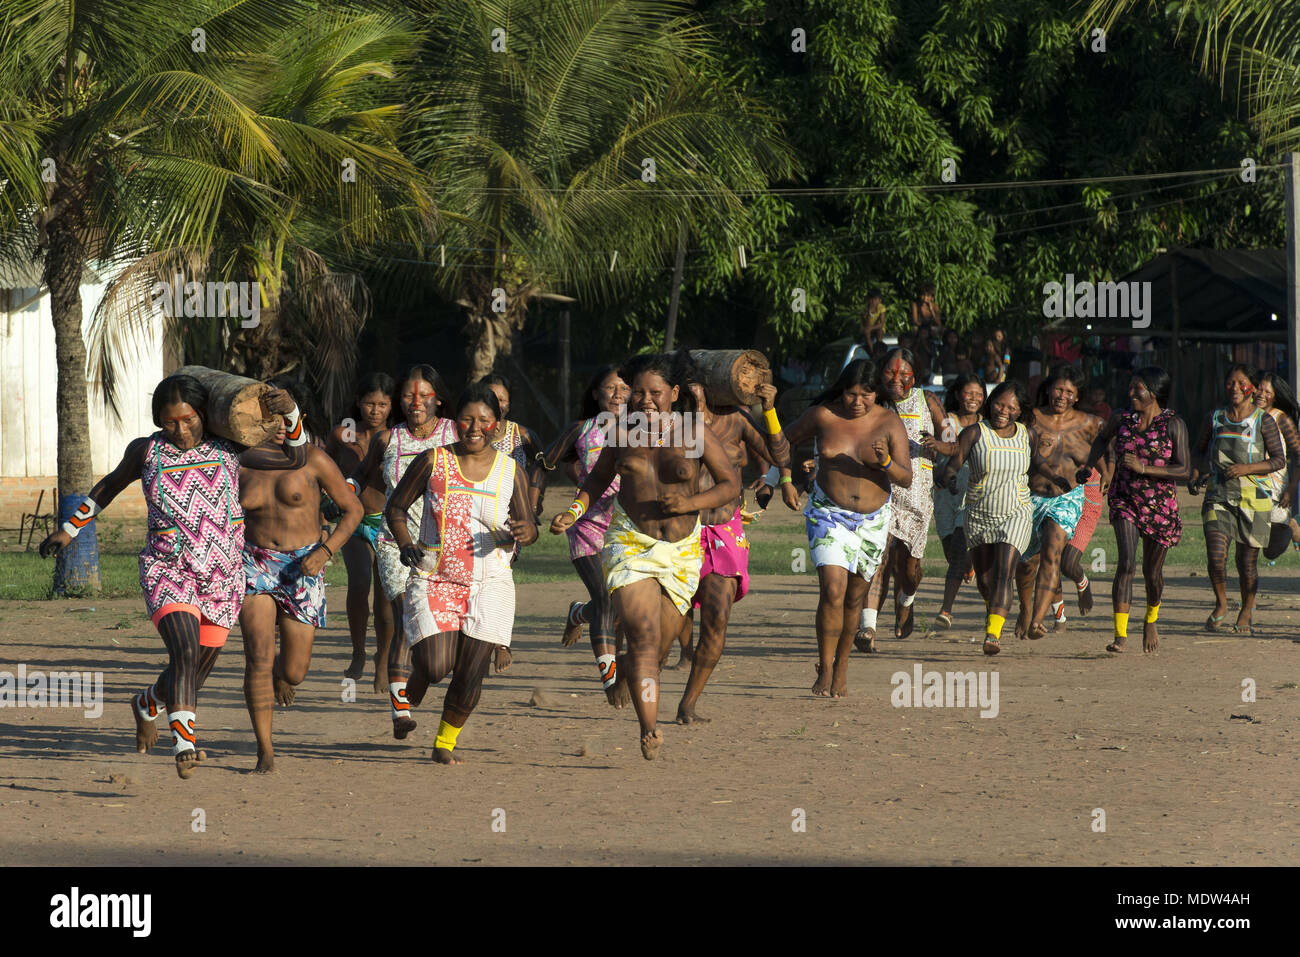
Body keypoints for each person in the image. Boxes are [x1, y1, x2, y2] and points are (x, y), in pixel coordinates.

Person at [40, 374, 304, 778]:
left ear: (203, 414)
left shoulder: (230, 447)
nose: (180, 430)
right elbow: (108, 487)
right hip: (169, 570)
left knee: (195, 667)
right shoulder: (147, 451)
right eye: (169, 422)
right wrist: (70, 529)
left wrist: (291, 413)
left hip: (223, 576)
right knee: (182, 652)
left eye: (188, 419)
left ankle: (148, 703)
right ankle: (185, 744)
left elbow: (296, 458)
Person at [550, 352, 739, 759]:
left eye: (655, 392)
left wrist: (691, 504)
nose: (645, 400)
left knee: (657, 646)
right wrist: (573, 511)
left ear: (674, 393)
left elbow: (729, 486)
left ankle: (628, 663)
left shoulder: (694, 433)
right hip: (630, 544)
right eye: (638, 392)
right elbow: (597, 481)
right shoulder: (620, 432)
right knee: (645, 638)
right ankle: (648, 728)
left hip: (682, 553)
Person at [384, 383, 538, 765]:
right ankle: (416, 683)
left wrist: (524, 532)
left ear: (497, 424)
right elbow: (396, 508)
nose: (474, 427)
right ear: (454, 422)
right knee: (436, 664)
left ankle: (443, 743)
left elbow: (528, 525)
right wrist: (406, 545)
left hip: (491, 583)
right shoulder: (432, 461)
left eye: (484, 420)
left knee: (471, 670)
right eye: (466, 419)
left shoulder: (510, 470)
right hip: (436, 576)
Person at [240, 380, 362, 772]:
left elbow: (353, 510)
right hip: (254, 563)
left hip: (303, 567)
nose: (275, 425)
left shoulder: (314, 459)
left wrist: (325, 551)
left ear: (297, 418)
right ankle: (265, 749)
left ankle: (282, 675)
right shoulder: (242, 460)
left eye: (282, 416)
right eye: (266, 418)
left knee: (294, 669)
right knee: (257, 655)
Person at [776, 358, 912, 693]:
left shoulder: (889, 421)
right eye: (851, 394)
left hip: (871, 521)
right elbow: (781, 440)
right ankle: (824, 667)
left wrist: (886, 463)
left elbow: (906, 478)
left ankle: (841, 669)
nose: (857, 402)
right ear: (842, 390)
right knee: (832, 590)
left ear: (876, 393)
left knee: (855, 598)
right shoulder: (824, 415)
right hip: (828, 514)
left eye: (865, 394)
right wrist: (784, 480)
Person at [348, 365, 459, 731]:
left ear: (438, 398)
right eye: (409, 396)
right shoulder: (388, 440)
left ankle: (420, 686)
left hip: (444, 547)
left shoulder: (455, 434)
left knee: (440, 638)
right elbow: (361, 475)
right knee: (404, 618)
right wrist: (342, 492)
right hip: (395, 543)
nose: (415, 402)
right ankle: (401, 713)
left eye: (424, 395)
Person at [673, 375, 786, 724]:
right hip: (677, 532)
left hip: (723, 531)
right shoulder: (666, 426)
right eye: (688, 389)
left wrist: (769, 412)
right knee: (663, 622)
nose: (696, 395)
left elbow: (779, 454)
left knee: (717, 620)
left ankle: (688, 703)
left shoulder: (735, 420)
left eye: (700, 387)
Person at [529, 365, 631, 705]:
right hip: (585, 523)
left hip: (629, 529)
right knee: (605, 597)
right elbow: (545, 462)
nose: (618, 394)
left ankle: (578, 613)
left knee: (622, 601)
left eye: (624, 388)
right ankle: (610, 679)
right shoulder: (581, 430)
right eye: (610, 388)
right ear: (595, 394)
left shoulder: (644, 430)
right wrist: (533, 506)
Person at [1077, 367, 1189, 653]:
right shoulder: (1121, 419)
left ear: (1153, 392)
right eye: (1130, 388)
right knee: (1126, 563)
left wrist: (1145, 467)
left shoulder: (1173, 424)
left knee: (1152, 574)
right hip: (1124, 498)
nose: (1131, 393)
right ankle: (1120, 635)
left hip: (1160, 506)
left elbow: (1184, 469)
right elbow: (1102, 440)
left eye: (1137, 389)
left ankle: (1151, 618)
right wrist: (1090, 465)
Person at [855, 348, 948, 649]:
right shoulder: (874, 402)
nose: (896, 380)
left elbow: (953, 442)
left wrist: (939, 446)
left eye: (903, 375)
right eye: (889, 374)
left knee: (909, 570)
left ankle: (906, 600)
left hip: (918, 494)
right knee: (878, 558)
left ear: (915, 375)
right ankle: (867, 629)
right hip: (881, 490)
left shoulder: (928, 401)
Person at [937, 380, 1033, 656]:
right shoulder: (974, 433)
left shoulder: (1028, 435)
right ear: (991, 403)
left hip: (1016, 512)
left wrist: (1063, 479)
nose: (1004, 411)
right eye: (1000, 404)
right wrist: (949, 477)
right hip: (979, 514)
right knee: (986, 581)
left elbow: (1036, 469)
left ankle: (993, 634)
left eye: (1012, 407)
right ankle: (997, 613)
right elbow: (955, 463)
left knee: (1005, 571)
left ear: (1020, 410)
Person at [1189, 364, 1285, 634]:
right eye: (1230, 382)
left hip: (1255, 499)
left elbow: (1278, 460)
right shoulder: (1214, 417)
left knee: (1246, 563)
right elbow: (1198, 451)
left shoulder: (1262, 420)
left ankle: (1247, 607)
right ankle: (1221, 604)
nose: (1234, 387)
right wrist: (1196, 472)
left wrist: (1246, 469)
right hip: (1218, 495)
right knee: (1215, 556)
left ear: (1251, 388)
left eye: (1240, 383)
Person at [1012, 365, 1104, 641]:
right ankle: (1027, 608)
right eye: (1058, 389)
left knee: (1053, 552)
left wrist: (1107, 476)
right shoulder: (1032, 418)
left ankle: (1039, 620)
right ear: (1048, 389)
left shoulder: (1090, 423)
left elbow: (1107, 449)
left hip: (1067, 498)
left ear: (1077, 396)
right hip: (1031, 496)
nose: (1061, 395)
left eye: (1069, 392)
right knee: (1026, 564)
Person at [326, 373, 396, 681]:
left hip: (386, 522)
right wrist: (324, 501)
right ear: (359, 402)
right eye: (370, 403)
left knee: (385, 594)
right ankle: (358, 651)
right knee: (358, 583)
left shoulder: (397, 438)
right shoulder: (343, 434)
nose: (375, 410)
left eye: (382, 404)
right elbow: (321, 467)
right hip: (352, 519)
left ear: (392, 405)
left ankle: (383, 656)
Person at [930, 373, 983, 630]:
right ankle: (968, 566)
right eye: (968, 393)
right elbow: (950, 447)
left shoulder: (985, 425)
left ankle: (945, 611)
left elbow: (956, 450)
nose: (974, 399)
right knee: (952, 551)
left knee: (960, 549)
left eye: (979, 394)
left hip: (972, 493)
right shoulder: (948, 421)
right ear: (958, 394)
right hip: (944, 492)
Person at [1254, 373, 1300, 559]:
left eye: (1267, 391)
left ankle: (1292, 526)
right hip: (1251, 483)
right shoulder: (1246, 415)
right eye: (1259, 389)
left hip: (1276, 487)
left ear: (1276, 395)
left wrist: (1292, 488)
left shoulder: (1281, 419)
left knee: (1271, 551)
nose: (1261, 394)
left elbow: (1299, 455)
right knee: (1253, 542)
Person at [478, 373, 545, 474]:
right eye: (491, 398)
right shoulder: (469, 434)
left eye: (501, 400)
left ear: (509, 404)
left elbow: (541, 471)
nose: (496, 404)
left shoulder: (524, 436)